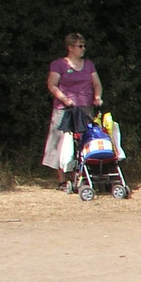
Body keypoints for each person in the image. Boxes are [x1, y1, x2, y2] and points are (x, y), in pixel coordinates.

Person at [42, 33, 102, 191]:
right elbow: (52, 85)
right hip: (65, 109)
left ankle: (82, 176)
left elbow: (97, 84)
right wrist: (64, 99)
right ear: (70, 47)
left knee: (84, 142)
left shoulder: (89, 65)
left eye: (84, 46)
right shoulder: (59, 65)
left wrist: (97, 97)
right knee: (60, 142)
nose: (83, 49)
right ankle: (62, 180)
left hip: (85, 108)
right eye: (79, 46)